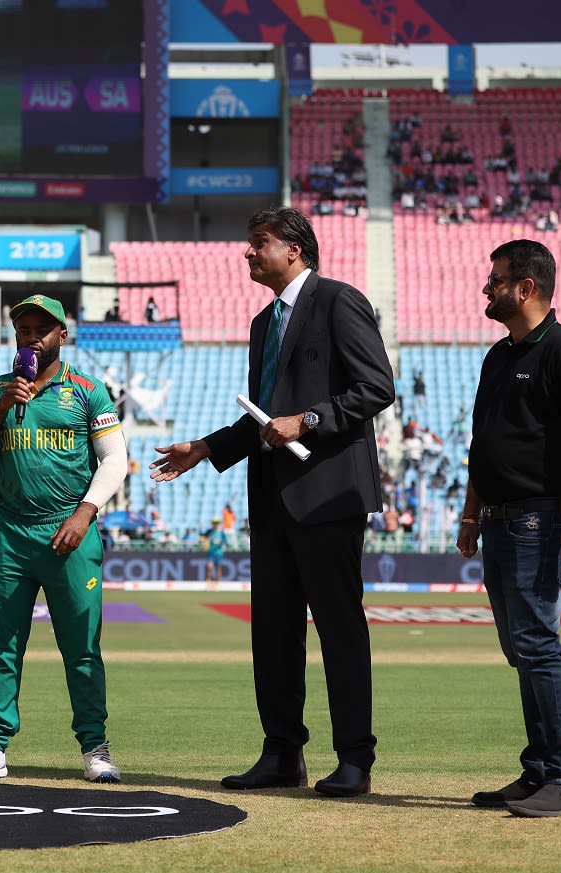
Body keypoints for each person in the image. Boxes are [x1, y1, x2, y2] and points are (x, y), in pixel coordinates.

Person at [150, 207, 394, 798]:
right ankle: (282, 752)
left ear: (296, 250)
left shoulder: (339, 301)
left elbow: (376, 387)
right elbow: (263, 417)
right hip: (272, 496)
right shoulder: (265, 323)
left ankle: (354, 758)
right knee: (273, 631)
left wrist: (308, 421)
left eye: (258, 242)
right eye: (248, 242)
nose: (248, 252)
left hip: (330, 492)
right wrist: (207, 447)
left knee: (339, 628)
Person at [0, 294, 129, 784]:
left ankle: (95, 747)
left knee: (82, 649)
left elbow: (115, 460)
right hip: (9, 531)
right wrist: (2, 405)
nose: (32, 337)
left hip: (68, 531)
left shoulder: (88, 391)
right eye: (24, 329)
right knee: (2, 646)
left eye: (42, 329)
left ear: (61, 335)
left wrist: (84, 515)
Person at [456, 239, 561, 818]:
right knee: (522, 649)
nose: (487, 288)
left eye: (496, 279)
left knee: (539, 646)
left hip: (539, 518)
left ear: (527, 287)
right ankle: (540, 769)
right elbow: (481, 443)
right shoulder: (498, 356)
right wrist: (471, 513)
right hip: (498, 520)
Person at [204, 517, 228, 582]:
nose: (215, 524)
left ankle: (218, 583)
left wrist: (220, 542)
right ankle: (208, 582)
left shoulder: (222, 532)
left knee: (218, 568)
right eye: (214, 523)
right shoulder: (210, 531)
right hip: (211, 553)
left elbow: (225, 542)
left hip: (219, 553)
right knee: (209, 567)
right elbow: (203, 537)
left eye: (217, 523)